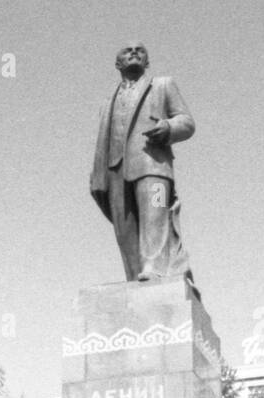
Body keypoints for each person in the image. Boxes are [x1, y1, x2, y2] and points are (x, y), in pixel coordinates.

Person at [89, 42, 196, 283]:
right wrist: (98, 175)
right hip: (115, 171)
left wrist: (168, 127)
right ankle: (135, 277)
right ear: (118, 63)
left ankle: (154, 268)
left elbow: (187, 122)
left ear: (147, 61)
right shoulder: (108, 102)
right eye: (127, 51)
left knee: (154, 216)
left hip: (153, 167)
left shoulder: (163, 85)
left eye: (140, 50)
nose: (134, 52)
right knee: (124, 230)